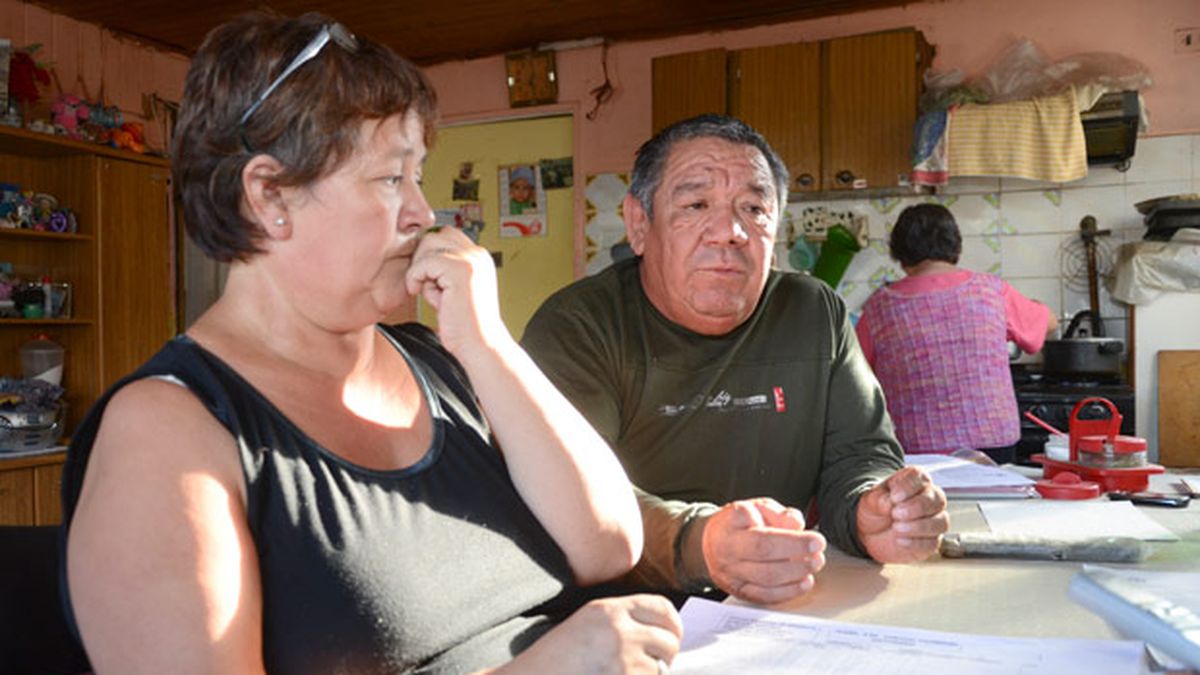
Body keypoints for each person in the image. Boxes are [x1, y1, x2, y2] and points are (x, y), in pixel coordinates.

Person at [59, 13, 682, 674]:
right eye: (391, 178)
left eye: (419, 175)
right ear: (271, 194)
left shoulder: (442, 363)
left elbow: (609, 543)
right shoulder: (165, 432)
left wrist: (489, 345)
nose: (423, 212)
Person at [521, 114, 949, 606]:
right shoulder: (578, 326)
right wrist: (702, 544)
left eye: (753, 208)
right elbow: (566, 498)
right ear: (640, 225)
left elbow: (860, 455)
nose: (729, 232)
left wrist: (872, 511)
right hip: (613, 620)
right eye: (696, 204)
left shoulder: (814, 313)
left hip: (776, 608)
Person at [855, 203, 1058, 463]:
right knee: (992, 504)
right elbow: (1048, 324)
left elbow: (857, 374)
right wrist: (1037, 306)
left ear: (900, 256)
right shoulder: (991, 291)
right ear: (956, 248)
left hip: (916, 449)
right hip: (992, 443)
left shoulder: (879, 306)